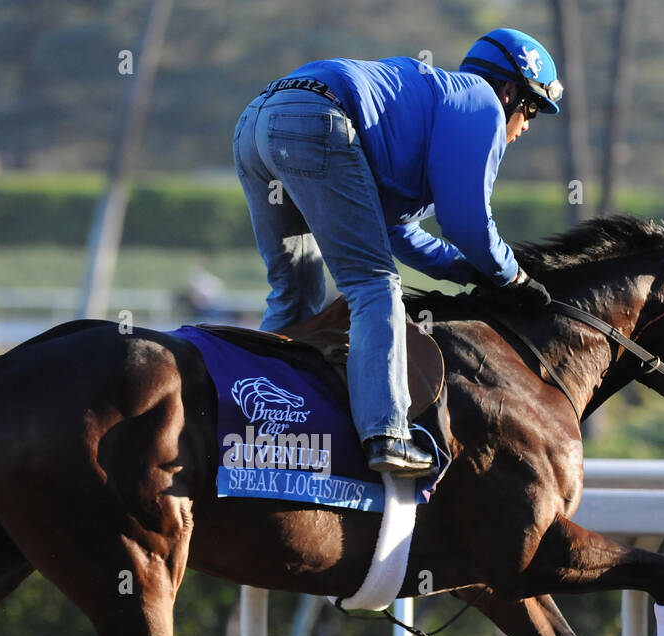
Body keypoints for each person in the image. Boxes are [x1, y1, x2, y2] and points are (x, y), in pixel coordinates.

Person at [233, 28, 562, 477]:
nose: (524, 128)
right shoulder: (481, 105)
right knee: (374, 284)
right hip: (316, 118)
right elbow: (467, 223)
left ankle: (252, 421)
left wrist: (468, 271)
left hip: (259, 122)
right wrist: (513, 278)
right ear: (508, 91)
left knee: (295, 294)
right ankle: (386, 435)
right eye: (531, 111)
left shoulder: (428, 114)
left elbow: (398, 231)